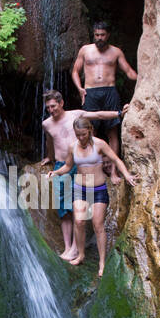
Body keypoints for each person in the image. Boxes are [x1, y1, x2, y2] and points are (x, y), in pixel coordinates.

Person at [39, 89, 126, 261]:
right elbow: (50, 140)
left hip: (77, 165)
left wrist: (118, 113)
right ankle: (68, 247)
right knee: (63, 208)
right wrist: (49, 156)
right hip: (60, 164)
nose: (51, 110)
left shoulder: (76, 115)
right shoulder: (46, 124)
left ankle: (75, 248)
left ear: (61, 103)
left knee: (75, 206)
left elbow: (99, 115)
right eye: (48, 107)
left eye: (54, 106)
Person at [61, 115, 136, 277]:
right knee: (79, 221)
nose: (81, 138)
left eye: (83, 134)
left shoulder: (100, 144)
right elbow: (67, 166)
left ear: (90, 130)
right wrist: (56, 172)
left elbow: (116, 159)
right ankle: (81, 255)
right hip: (80, 188)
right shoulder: (72, 147)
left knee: (97, 225)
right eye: (77, 135)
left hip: (98, 189)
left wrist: (127, 175)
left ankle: (102, 263)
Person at [71, 20, 137, 158]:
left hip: (109, 92)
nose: (99, 38)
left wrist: (144, 78)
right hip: (90, 92)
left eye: (102, 35)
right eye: (96, 35)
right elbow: (75, 71)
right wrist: (79, 88)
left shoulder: (116, 52)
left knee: (112, 131)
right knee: (90, 130)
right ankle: (92, 165)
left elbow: (129, 72)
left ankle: (113, 170)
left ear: (108, 35)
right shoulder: (85, 50)